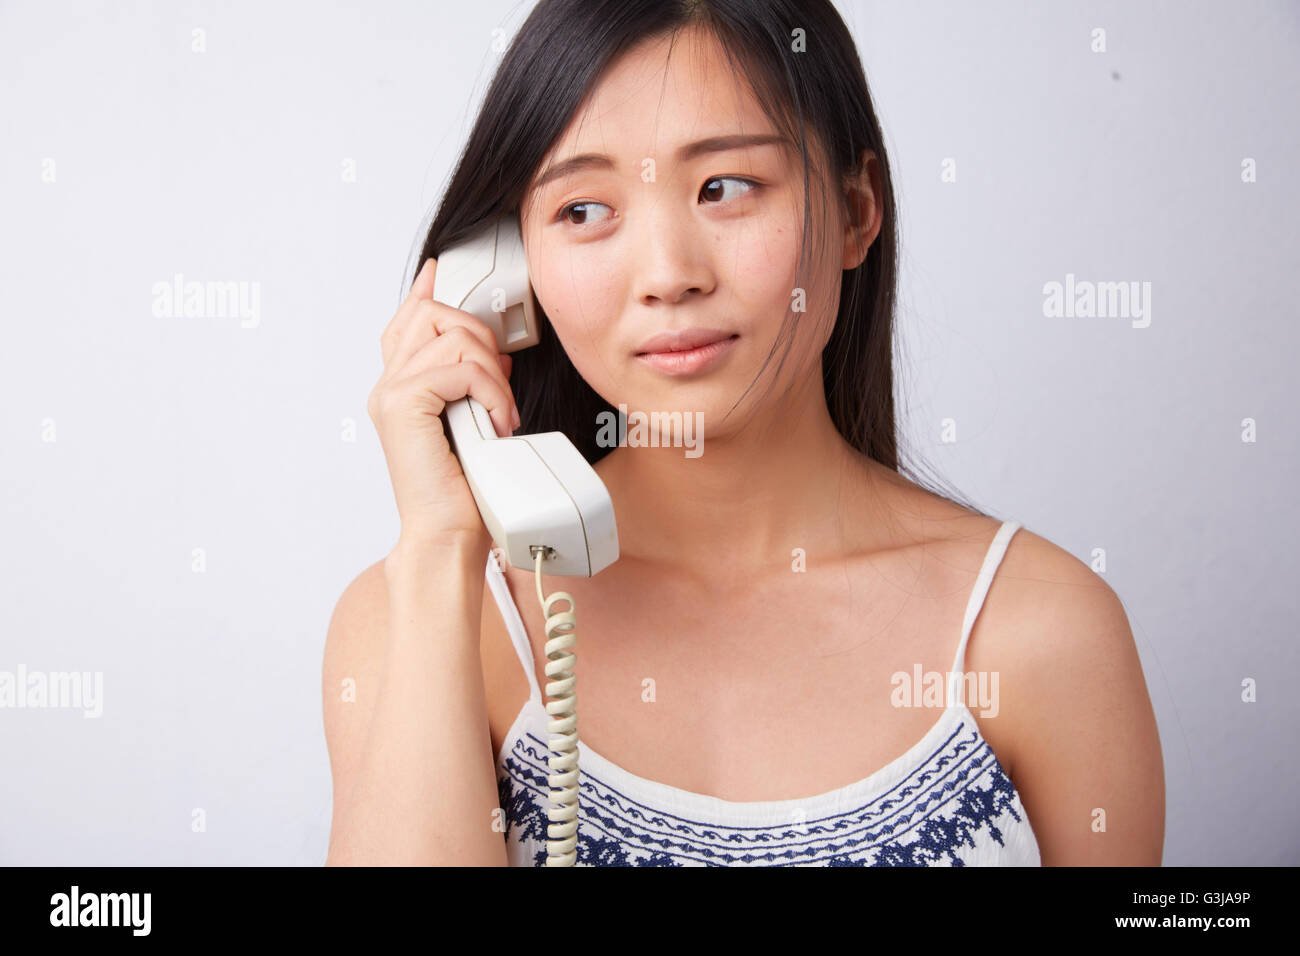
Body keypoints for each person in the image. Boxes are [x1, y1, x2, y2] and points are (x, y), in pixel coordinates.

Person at [323, 0, 1164, 866]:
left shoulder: (1039, 628)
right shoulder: (419, 621)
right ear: (510, 266)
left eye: (724, 188)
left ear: (854, 209)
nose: (667, 275)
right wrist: (435, 555)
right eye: (582, 210)